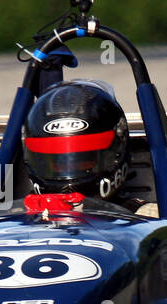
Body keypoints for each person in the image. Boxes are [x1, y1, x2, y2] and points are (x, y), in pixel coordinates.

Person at [21, 79, 155, 215]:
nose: (67, 178)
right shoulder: (12, 218)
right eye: (57, 165)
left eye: (83, 162)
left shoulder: (147, 218)